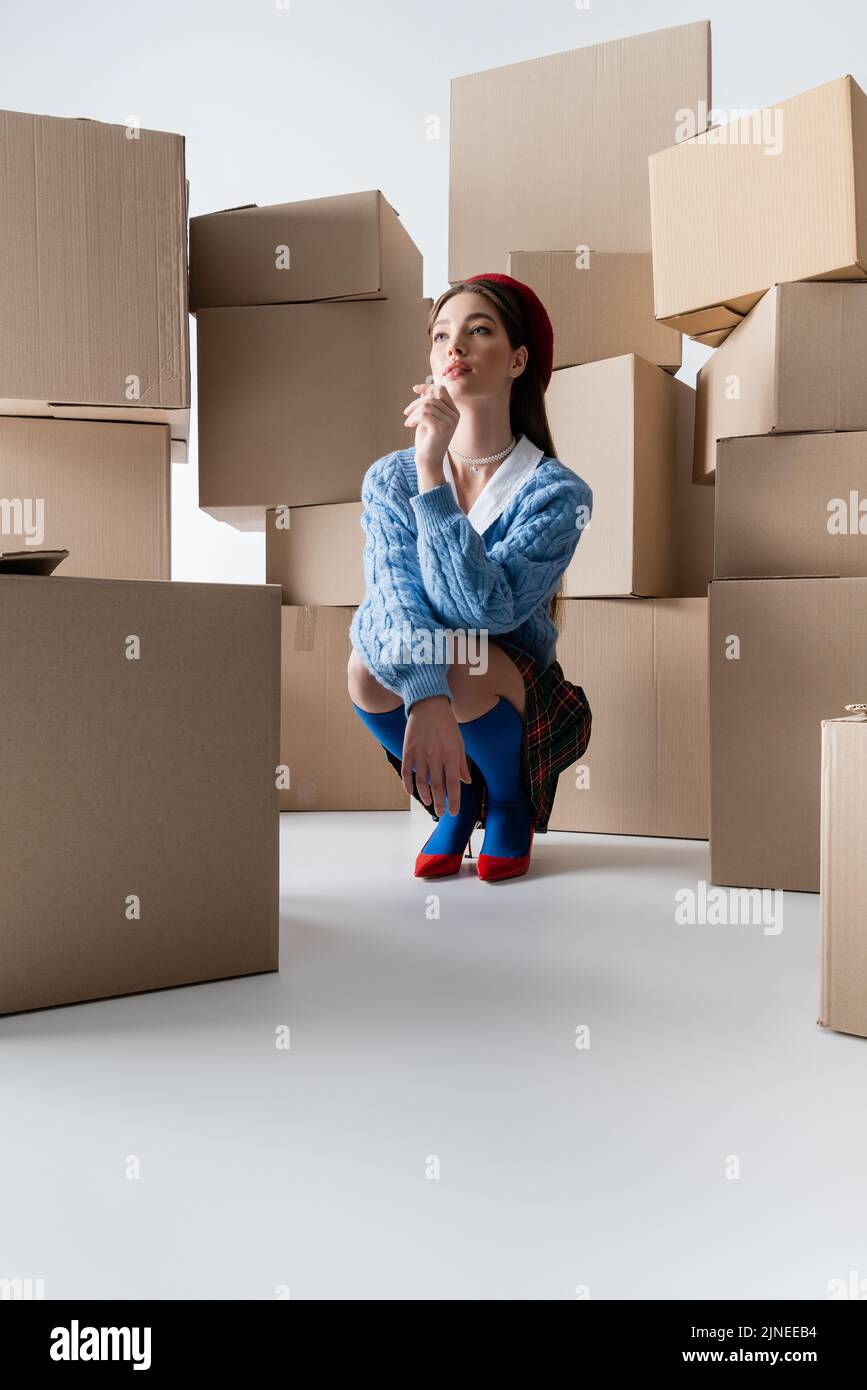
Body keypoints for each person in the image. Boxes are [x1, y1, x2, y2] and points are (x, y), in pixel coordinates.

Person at [347, 273, 592, 883]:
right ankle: (456, 802)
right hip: (441, 667)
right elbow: (391, 595)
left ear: (517, 359)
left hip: (510, 674)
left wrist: (433, 475)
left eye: (478, 331)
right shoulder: (387, 478)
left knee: (462, 656)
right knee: (365, 667)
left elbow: (487, 610)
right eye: (441, 336)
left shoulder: (556, 493)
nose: (454, 348)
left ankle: (507, 800)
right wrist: (424, 690)